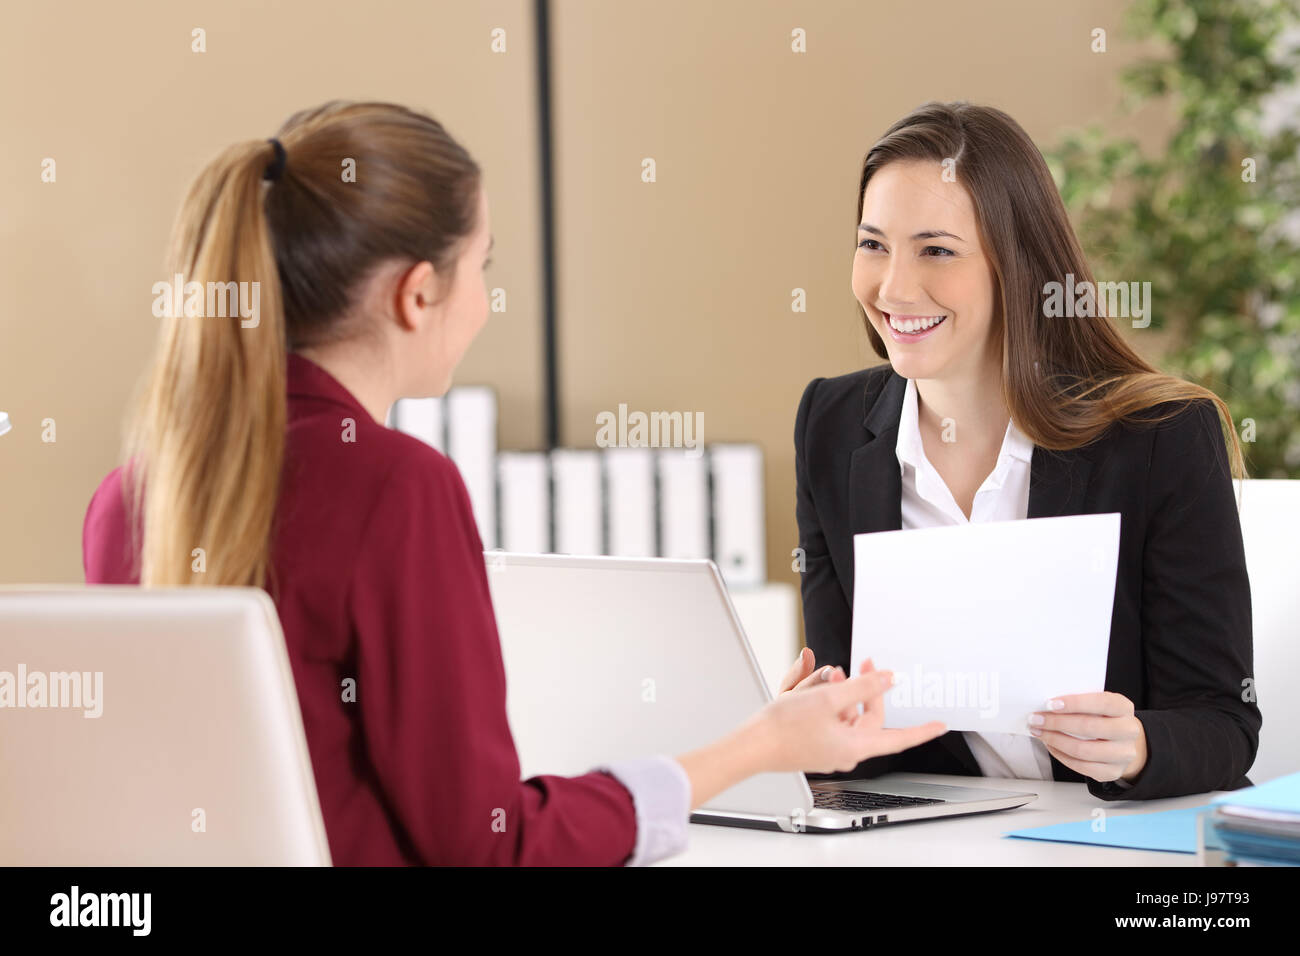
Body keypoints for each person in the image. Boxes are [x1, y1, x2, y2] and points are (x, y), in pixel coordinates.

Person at [82, 101, 946, 866]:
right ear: (418, 295)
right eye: (483, 267)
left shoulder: (128, 497)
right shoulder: (397, 489)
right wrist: (753, 750)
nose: (487, 304)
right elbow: (486, 843)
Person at [791, 101, 1260, 802]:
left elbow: (1225, 725)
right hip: (941, 844)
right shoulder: (830, 425)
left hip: (1119, 843)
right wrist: (815, 732)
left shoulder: (1161, 436)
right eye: (873, 244)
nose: (893, 287)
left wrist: (1138, 748)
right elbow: (865, 741)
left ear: (1018, 267)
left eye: (937, 250)